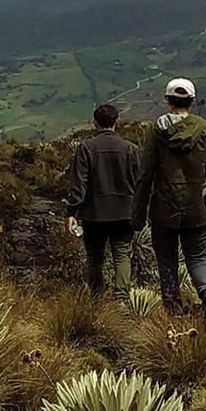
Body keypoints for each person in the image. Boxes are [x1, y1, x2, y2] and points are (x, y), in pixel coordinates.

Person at [132, 77, 206, 322]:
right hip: (198, 208)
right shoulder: (203, 128)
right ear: (192, 101)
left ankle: (173, 312)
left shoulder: (157, 130)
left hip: (164, 209)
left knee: (167, 261)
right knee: (198, 258)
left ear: (168, 101)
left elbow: (145, 174)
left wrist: (137, 216)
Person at [65, 103, 138, 298]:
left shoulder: (86, 148)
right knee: (122, 255)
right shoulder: (131, 149)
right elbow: (140, 182)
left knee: (95, 259)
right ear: (117, 121)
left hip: (94, 214)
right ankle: (121, 298)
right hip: (124, 212)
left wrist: (72, 211)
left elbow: (79, 183)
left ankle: (97, 299)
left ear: (94, 122)